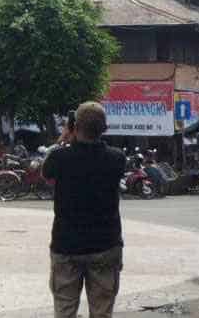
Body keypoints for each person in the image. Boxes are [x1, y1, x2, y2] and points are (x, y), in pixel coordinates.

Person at [42, 102, 126, 318]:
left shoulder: (59, 158)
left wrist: (63, 140)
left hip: (66, 246)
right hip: (105, 245)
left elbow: (46, 173)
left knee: (65, 310)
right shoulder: (116, 158)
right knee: (102, 312)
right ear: (104, 128)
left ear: (74, 126)